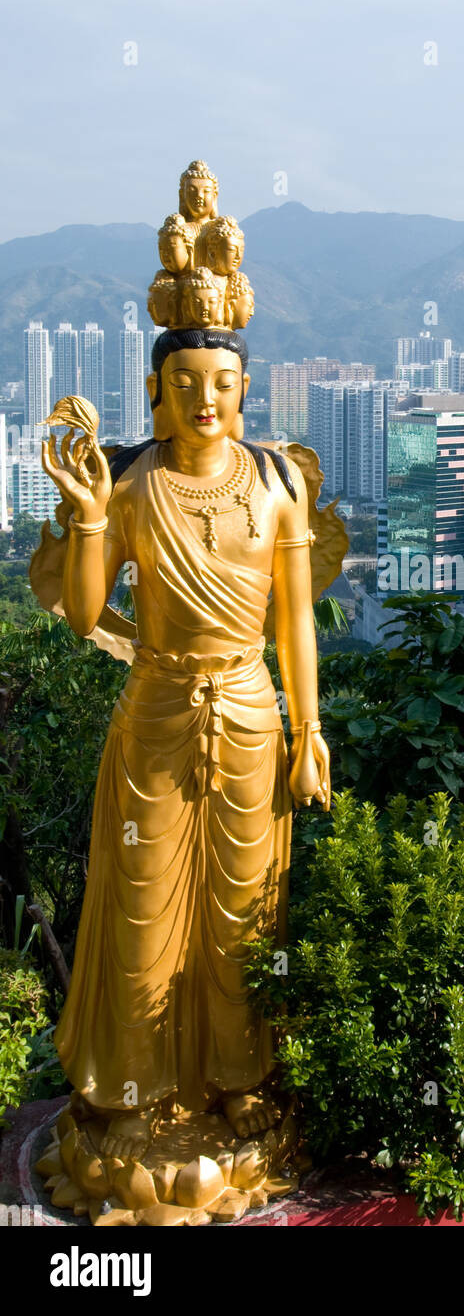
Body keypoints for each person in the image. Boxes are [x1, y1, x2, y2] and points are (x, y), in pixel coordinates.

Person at [40, 326, 329, 1165]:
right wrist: (92, 519)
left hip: (248, 713)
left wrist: (308, 731)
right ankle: (132, 1089)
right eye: (187, 381)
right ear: (157, 388)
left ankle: (239, 1078)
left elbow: (295, 621)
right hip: (157, 712)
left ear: (246, 390)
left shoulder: (276, 488)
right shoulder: (134, 487)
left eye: (224, 382)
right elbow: (89, 616)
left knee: (245, 910)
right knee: (144, 910)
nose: (207, 400)